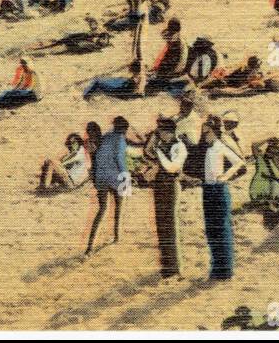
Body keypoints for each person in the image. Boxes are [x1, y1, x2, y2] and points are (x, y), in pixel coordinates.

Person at [199, 114, 247, 280]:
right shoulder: (208, 148)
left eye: (206, 133)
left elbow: (240, 163)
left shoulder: (220, 146)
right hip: (207, 189)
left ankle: (225, 269)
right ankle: (217, 267)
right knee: (211, 229)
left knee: (222, 229)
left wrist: (226, 177)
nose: (204, 136)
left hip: (218, 190)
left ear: (214, 131)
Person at [143, 115, 188, 277]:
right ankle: (167, 267)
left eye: (160, 131)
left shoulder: (179, 147)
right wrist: (153, 140)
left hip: (170, 186)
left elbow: (171, 167)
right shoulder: (162, 144)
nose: (158, 133)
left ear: (168, 131)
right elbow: (147, 152)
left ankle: (176, 268)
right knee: (162, 227)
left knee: (171, 227)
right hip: (159, 186)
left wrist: (159, 153)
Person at [85, 116, 132, 255]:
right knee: (118, 207)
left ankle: (90, 246)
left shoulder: (105, 136)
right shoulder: (120, 139)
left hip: (100, 178)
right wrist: (126, 177)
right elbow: (120, 160)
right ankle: (117, 237)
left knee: (102, 210)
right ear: (124, 129)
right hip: (116, 178)